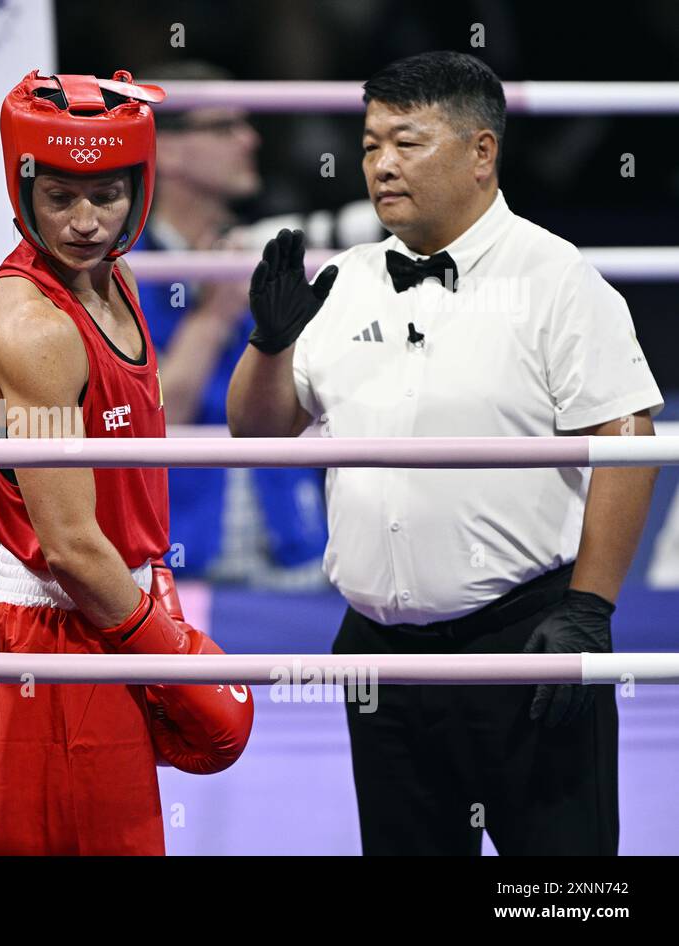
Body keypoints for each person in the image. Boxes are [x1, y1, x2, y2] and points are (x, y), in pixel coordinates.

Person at [227, 51, 662, 855]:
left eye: (407, 142)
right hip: (378, 656)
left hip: (525, 640)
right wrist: (269, 342)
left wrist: (589, 613)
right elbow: (257, 434)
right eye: (368, 145)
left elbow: (628, 443)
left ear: (481, 152)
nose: (381, 166)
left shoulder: (558, 279)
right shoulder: (347, 279)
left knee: (565, 900)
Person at [0, 70, 254, 856]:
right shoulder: (36, 327)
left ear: (140, 184)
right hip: (58, 630)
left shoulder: (113, 278)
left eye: (108, 195)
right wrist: (167, 646)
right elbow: (67, 543)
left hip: (111, 610)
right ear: (23, 188)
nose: (88, 222)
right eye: (60, 197)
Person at [133, 60, 326, 584]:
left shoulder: (269, 255)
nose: (250, 139)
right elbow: (154, 418)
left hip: (298, 542)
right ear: (167, 149)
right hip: (180, 557)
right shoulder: (119, 272)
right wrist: (215, 313)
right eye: (224, 127)